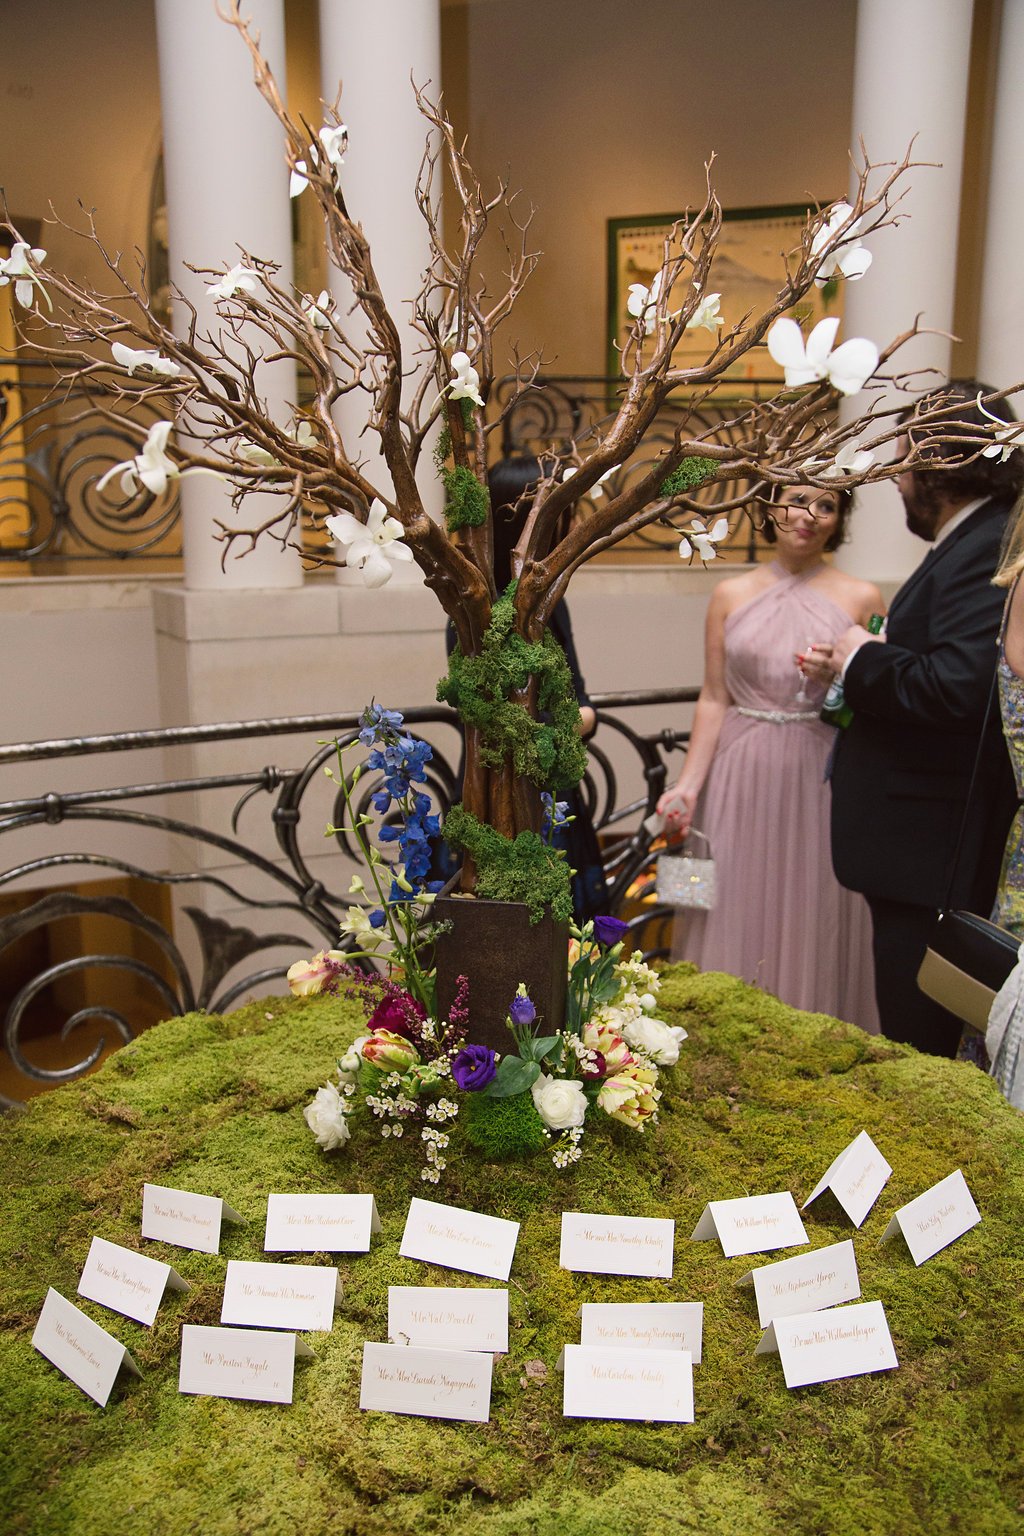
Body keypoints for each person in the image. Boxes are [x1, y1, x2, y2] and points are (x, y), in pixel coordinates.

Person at [814, 381, 1023, 1058]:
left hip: (931, 852)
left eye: (904, 461)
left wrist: (859, 656)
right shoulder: (974, 539)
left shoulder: (989, 543)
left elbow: (959, 687)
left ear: (939, 466)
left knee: (920, 1049)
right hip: (919, 849)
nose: (897, 479)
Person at [656, 483, 882, 1028]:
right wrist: (687, 786)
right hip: (739, 770)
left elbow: (877, 698)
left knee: (815, 905)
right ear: (768, 505)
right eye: (797, 499)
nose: (809, 515)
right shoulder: (728, 594)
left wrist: (842, 673)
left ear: (839, 520)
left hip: (820, 772)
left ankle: (815, 1034)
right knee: (732, 899)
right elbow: (715, 697)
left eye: (826, 505)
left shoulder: (863, 598)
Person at [440, 455, 607, 922]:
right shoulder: (471, 615)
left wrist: (568, 721)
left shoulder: (551, 603)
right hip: (496, 798)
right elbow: (505, 725)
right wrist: (569, 723)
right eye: (559, 519)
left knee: (565, 936)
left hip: (552, 791)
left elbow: (577, 705)